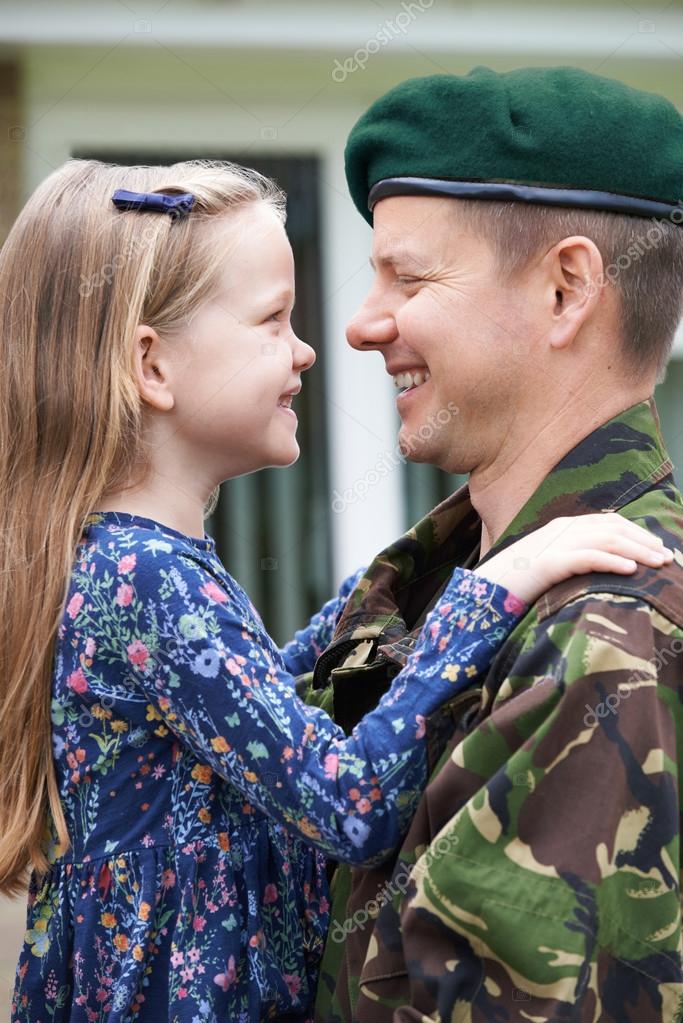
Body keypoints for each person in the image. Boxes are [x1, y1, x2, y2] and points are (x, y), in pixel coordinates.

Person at [0, 159, 666, 1023]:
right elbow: (347, 803)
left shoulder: (133, 563)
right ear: (152, 367)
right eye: (273, 320)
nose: (310, 346)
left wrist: (384, 598)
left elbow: (238, 722)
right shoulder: (147, 579)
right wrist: (485, 593)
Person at [310, 66, 683, 1022]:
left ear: (565, 289)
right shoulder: (447, 582)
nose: (361, 324)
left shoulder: (604, 640)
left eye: (409, 275)